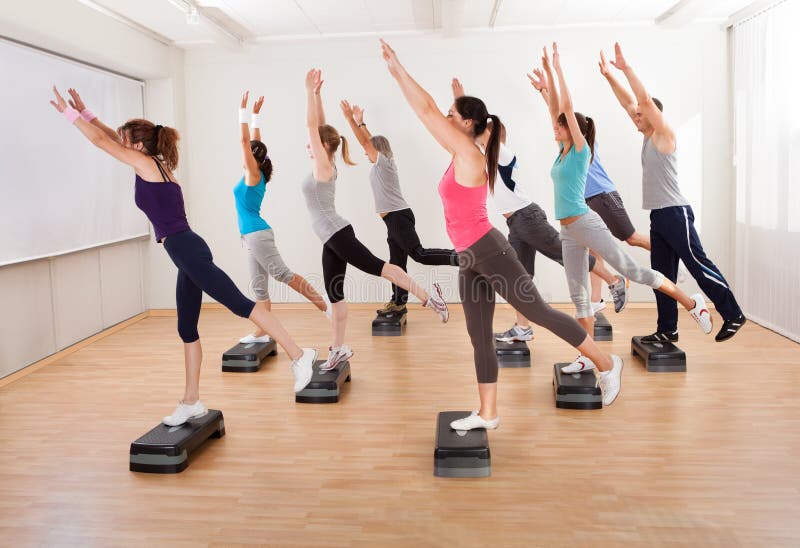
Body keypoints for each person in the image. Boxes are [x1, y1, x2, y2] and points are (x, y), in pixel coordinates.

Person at [380, 39, 624, 429]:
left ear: (464, 125)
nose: (443, 119)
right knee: (479, 335)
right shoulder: (465, 150)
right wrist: (460, 100)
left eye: (451, 115)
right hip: (468, 256)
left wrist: (399, 72)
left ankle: (607, 364)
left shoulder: (471, 154)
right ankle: (488, 413)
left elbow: (426, 111)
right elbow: (447, 116)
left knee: (536, 312)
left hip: (488, 248)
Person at [49, 87, 318, 426]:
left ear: (136, 145)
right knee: (186, 328)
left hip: (187, 249)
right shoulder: (152, 162)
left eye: (125, 140)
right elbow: (110, 138)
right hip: (185, 251)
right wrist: (87, 114)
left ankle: (299, 355)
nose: (120, 144)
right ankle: (191, 400)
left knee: (240, 305)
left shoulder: (146, 163)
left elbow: (103, 143)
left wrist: (69, 115)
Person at [530, 44, 712, 348]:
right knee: (579, 295)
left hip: (586, 222)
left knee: (633, 270)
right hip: (568, 230)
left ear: (571, 129)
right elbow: (556, 111)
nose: (555, 127)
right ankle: (588, 356)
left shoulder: (579, 150)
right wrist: (545, 86)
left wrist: (558, 71)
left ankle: (692, 303)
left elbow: (566, 107)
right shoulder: (561, 152)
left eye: (560, 125)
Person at [449, 78, 625, 343]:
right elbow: (469, 140)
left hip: (527, 217)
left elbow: (478, 137)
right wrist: (463, 102)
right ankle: (522, 328)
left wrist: (473, 119)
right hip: (516, 224)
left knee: (564, 254)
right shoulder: (486, 155)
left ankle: (614, 280)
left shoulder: (503, 153)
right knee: (520, 277)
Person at [301, 70, 448, 371]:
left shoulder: (323, 167)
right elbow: (318, 127)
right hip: (330, 237)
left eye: (314, 142)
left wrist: (308, 93)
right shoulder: (326, 162)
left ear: (322, 147)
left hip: (338, 235)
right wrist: (317, 95)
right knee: (336, 297)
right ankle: (338, 348)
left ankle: (428, 299)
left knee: (384, 268)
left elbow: (312, 128)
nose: (309, 144)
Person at [599, 42, 746, 342]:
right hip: (659, 215)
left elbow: (641, 100)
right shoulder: (646, 133)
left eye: (641, 114)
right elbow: (629, 102)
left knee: (697, 262)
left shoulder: (664, 136)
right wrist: (609, 77)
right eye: (636, 115)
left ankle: (733, 313)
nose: (635, 117)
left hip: (675, 212)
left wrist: (626, 69)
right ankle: (668, 330)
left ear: (652, 116)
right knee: (661, 275)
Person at [339, 99, 458, 317]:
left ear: (377, 150)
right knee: (397, 263)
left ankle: (459, 257)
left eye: (369, 150)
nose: (365, 153)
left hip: (398, 217)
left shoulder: (383, 163)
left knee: (418, 254)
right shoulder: (382, 164)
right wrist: (362, 122)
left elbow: (367, 143)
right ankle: (398, 302)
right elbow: (369, 142)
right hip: (393, 220)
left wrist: (351, 121)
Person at [234, 91, 329, 345]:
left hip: (257, 234)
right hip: (252, 235)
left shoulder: (253, 175)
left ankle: (323, 305)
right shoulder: (257, 170)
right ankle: (262, 330)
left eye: (246, 154)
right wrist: (255, 116)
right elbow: (254, 144)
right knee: (259, 287)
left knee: (282, 275)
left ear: (252, 158)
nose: (242, 155)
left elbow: (246, 143)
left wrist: (242, 112)